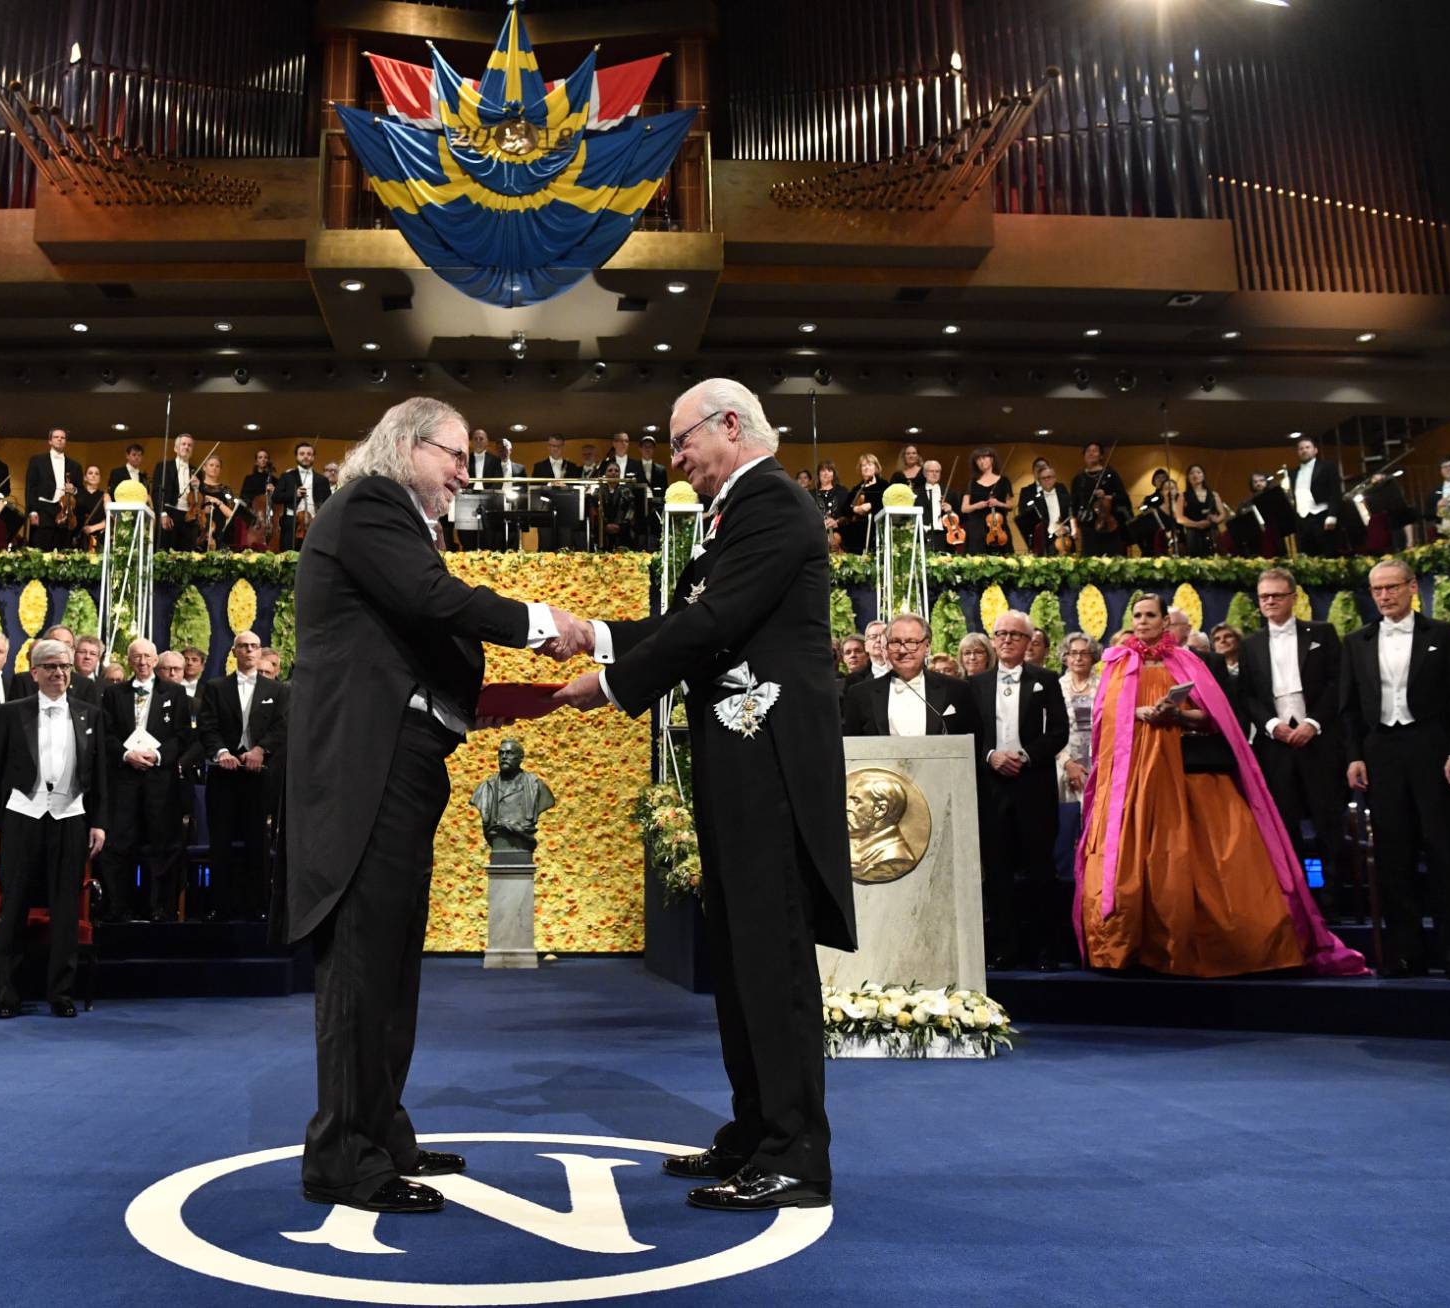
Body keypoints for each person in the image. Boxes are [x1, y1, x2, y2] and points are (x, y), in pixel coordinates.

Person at [553, 378, 853, 1213]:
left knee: (773, 962)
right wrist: (601, 636)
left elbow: (711, 623)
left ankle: (796, 1153)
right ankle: (756, 1129)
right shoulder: (739, 515)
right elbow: (687, 613)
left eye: (682, 441)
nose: (676, 461)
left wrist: (611, 684)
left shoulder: (776, 506)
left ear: (731, 425)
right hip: (741, 771)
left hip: (774, 777)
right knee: (741, 959)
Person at [288, 396, 591, 1214]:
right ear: (405, 445)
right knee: (361, 958)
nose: (466, 471)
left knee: (391, 959)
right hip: (367, 770)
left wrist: (530, 698)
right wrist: (544, 622)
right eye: (454, 454)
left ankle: (382, 1133)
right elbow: (439, 603)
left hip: (403, 764)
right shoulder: (371, 506)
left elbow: (430, 654)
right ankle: (342, 1157)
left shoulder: (399, 530)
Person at [1078, 594, 1364, 977]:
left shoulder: (1188, 661)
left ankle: (1219, 942)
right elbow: (1105, 718)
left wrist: (1178, 715)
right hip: (1134, 779)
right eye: (1138, 616)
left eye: (1151, 616)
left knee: (1208, 854)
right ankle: (1132, 944)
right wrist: (1138, 712)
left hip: (1188, 772)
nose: (1143, 622)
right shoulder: (1117, 664)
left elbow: (1213, 717)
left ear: (1166, 622)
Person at [1341, 559, 1450, 978]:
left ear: (1412, 587)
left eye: (1392, 587)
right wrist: (1354, 755)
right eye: (1377, 589)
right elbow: (1347, 710)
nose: (1384, 596)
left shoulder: (1444, 635)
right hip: (1381, 751)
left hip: (1432, 750)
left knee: (1443, 851)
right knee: (1393, 856)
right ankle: (1405, 954)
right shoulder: (1356, 641)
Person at [0, 638, 108, 1018]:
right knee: (13, 905)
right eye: (50, 666)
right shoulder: (9, 713)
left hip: (70, 817)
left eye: (64, 666)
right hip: (22, 814)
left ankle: (61, 994)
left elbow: (99, 774)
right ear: (34, 672)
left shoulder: (90, 714)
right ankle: (7, 994)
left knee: (67, 909)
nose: (59, 673)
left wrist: (98, 821)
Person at [1237, 568, 1350, 913]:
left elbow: (1338, 683)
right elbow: (1248, 696)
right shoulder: (1251, 644)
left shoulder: (1322, 633)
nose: (1270, 601)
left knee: (1328, 821)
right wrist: (1272, 725)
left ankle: (1335, 897)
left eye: (1277, 595)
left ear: (1294, 597)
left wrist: (1313, 723)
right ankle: (1296, 897)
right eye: (1264, 596)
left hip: (1319, 742)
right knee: (1284, 824)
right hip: (1275, 747)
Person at [969, 612, 1070, 969]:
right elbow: (969, 734)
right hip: (992, 788)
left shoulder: (1046, 679)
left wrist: (1025, 756)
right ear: (993, 640)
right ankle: (1004, 948)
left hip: (1033, 787)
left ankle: (1046, 950)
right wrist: (991, 756)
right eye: (1001, 634)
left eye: (1015, 635)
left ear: (1029, 642)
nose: (1007, 640)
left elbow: (1059, 731)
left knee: (1041, 869)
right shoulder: (975, 684)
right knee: (997, 872)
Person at [98, 638, 194, 923]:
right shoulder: (114, 694)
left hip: (160, 784)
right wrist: (127, 754)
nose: (142, 662)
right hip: (124, 781)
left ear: (155, 661)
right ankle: (119, 908)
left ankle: (161, 909)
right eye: (136, 657)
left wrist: (157, 755)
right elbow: (107, 734)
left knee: (163, 846)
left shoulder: (176, 693)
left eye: (147, 657)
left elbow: (182, 736)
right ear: (129, 661)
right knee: (119, 844)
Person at [842, 613, 978, 738]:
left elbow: (972, 744)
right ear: (886, 648)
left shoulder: (957, 690)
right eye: (895, 642)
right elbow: (851, 750)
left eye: (911, 642)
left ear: (927, 647)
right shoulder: (859, 694)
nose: (902, 650)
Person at [1290, 437, 1349, 557]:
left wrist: (1332, 515)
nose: (1304, 450)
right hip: (1303, 520)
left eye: (1307, 447)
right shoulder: (1293, 473)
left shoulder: (1327, 466)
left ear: (1315, 450)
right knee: (1309, 555)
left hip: (1322, 516)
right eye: (1301, 448)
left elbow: (1335, 492)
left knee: (1329, 554)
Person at [25, 428, 83, 550]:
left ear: (66, 442)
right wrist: (32, 511)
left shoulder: (75, 465)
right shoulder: (37, 461)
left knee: (62, 548)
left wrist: (74, 490)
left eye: (62, 438)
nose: (59, 439)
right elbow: (31, 487)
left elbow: (80, 490)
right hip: (43, 509)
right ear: (50, 441)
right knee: (40, 548)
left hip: (64, 511)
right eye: (56, 437)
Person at [1058, 634, 1099, 804]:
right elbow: (1048, 729)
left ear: (1094, 657)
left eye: (1084, 653)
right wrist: (1067, 764)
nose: (1078, 658)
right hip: (1065, 763)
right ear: (1065, 657)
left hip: (1099, 761)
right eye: (1073, 653)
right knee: (1070, 820)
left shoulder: (1105, 685)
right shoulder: (1056, 687)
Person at [1071, 442, 1130, 556]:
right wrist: (1074, 526)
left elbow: (1123, 497)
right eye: (1088, 451)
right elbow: (1073, 505)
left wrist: (1109, 496)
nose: (1091, 453)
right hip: (1088, 527)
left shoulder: (1111, 474)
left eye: (1095, 451)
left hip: (1109, 526)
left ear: (1101, 456)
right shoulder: (1078, 479)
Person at [274, 440, 332, 550]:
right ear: (296, 457)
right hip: (291, 524)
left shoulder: (322, 480)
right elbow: (276, 497)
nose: (306, 456)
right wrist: (294, 494)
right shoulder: (287, 476)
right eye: (302, 454)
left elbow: (328, 502)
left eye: (309, 454)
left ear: (313, 457)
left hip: (315, 523)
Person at [1017, 459, 1076, 556]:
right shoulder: (1036, 499)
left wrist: (1067, 528)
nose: (1047, 480)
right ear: (1039, 481)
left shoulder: (1063, 493)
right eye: (1043, 478)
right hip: (1044, 542)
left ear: (1054, 478)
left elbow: (1071, 512)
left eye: (1049, 477)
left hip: (1064, 539)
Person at [531, 435, 581, 550]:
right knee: (545, 546)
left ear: (563, 446)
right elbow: (534, 488)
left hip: (567, 513)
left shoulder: (572, 467)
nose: (555, 449)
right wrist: (549, 485)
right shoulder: (539, 466)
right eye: (553, 446)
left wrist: (567, 486)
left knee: (565, 546)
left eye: (558, 446)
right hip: (545, 512)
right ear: (548, 447)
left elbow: (578, 488)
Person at [153, 432, 200, 551]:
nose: (186, 447)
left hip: (189, 517)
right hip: (171, 514)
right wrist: (162, 514)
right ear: (176, 448)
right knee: (166, 552)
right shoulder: (163, 466)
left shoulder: (196, 471)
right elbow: (157, 492)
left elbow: (199, 498)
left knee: (187, 554)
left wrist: (196, 488)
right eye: (183, 444)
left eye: (189, 445)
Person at [1175, 464, 1228, 556]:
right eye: (1192, 473)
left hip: (1211, 531)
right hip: (1192, 533)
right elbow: (1179, 518)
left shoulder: (1213, 495)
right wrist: (1196, 524)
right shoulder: (1183, 496)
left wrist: (1216, 520)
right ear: (1188, 478)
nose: (1195, 475)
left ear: (1203, 475)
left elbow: (1222, 514)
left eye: (1199, 472)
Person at [842, 453, 884, 556]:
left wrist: (871, 505)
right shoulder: (857, 489)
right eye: (863, 465)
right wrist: (855, 509)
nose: (866, 467)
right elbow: (845, 508)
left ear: (876, 467)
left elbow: (887, 502)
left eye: (869, 464)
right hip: (857, 534)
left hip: (876, 530)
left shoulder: (884, 485)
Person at [813, 461, 852, 552]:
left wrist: (837, 522)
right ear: (818, 474)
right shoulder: (811, 494)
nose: (826, 473)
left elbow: (849, 515)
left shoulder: (842, 492)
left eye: (829, 470)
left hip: (840, 534)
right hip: (816, 534)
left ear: (834, 474)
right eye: (823, 470)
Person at [76, 465, 110, 553]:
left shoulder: (105, 496)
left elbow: (111, 519)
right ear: (85, 478)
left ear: (100, 478)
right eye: (90, 473)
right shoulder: (77, 494)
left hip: (96, 538)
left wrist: (93, 528)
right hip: (77, 536)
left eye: (97, 474)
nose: (93, 475)